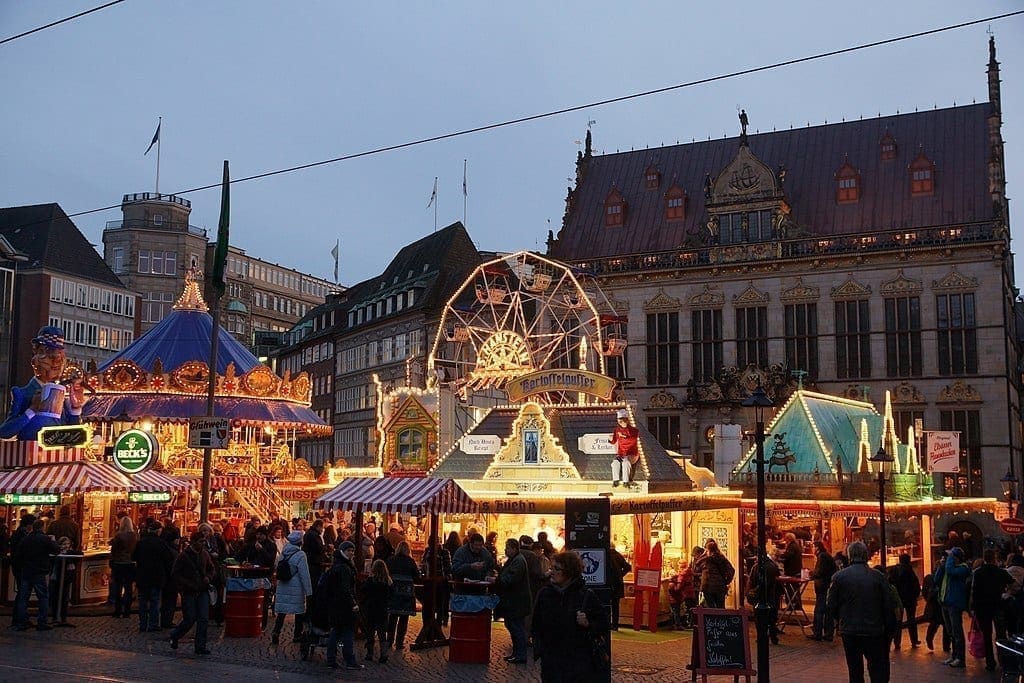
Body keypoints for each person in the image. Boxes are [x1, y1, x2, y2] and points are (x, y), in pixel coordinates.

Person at [532, 550, 610, 681]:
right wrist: (540, 650)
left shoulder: (585, 596)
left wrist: (588, 623)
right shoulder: (545, 594)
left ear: (569, 572)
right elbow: (536, 624)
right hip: (551, 662)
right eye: (552, 567)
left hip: (578, 662)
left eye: (557, 568)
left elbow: (604, 624)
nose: (552, 572)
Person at [0, 326, 87, 441]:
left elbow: (74, 436)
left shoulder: (63, 398)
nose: (55, 361)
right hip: (29, 455)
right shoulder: (23, 393)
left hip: (56, 456)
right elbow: (5, 432)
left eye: (59, 355)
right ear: (34, 358)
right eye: (47, 353)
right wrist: (32, 410)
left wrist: (75, 409)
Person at [826, 541, 896, 683]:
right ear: (866, 556)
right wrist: (888, 628)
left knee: (855, 670)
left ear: (850, 556)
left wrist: (840, 619)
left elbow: (831, 605)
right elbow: (888, 605)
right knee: (877, 668)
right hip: (874, 630)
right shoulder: (878, 577)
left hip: (850, 630)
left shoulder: (839, 577)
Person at [168, 532, 215, 655]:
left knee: (203, 618)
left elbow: (211, 568)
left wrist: (208, 578)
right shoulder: (183, 556)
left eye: (204, 541)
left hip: (202, 590)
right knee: (190, 618)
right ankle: (175, 635)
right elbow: (175, 573)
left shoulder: (204, 554)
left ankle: (200, 646)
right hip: (189, 591)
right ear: (193, 542)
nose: (203, 544)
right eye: (200, 541)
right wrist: (186, 584)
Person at [970, 548, 1013, 672]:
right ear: (994, 558)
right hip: (997, 605)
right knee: (1001, 635)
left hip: (982, 607)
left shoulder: (978, 573)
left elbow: (974, 591)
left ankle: (990, 662)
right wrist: (1007, 592)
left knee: (987, 635)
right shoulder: (1000, 572)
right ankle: (1003, 660)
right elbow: (1014, 583)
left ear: (984, 558)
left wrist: (973, 607)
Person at [12, 518, 59, 631]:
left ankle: (21, 622)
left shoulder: (26, 539)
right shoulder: (45, 539)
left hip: (27, 572)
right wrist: (53, 541)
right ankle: (42, 622)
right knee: (43, 597)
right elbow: (56, 550)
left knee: (23, 598)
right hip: (39, 572)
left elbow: (18, 554)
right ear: (42, 527)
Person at [322, 541, 363, 670]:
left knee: (336, 632)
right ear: (342, 551)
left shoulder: (338, 565)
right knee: (347, 632)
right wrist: (353, 603)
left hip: (336, 604)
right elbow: (345, 589)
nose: (351, 553)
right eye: (348, 550)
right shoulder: (344, 567)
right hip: (343, 605)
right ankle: (349, 660)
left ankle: (331, 660)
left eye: (352, 550)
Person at [271, 530, 312, 645]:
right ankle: (297, 634)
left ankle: (276, 631)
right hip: (296, 587)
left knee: (282, 612)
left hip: (283, 585)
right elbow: (305, 574)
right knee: (299, 611)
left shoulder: (284, 552)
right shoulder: (301, 555)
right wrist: (309, 591)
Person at [133, 521, 173, 633]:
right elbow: (168, 557)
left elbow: (134, 556)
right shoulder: (160, 543)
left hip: (142, 576)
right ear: (158, 531)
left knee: (142, 602)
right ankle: (153, 624)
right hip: (156, 576)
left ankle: (143, 624)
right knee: (155, 601)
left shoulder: (141, 543)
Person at [496, 538, 532, 664]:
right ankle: (517, 653)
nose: (506, 550)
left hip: (517, 601)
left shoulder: (518, 561)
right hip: (514, 601)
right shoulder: (514, 560)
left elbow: (511, 579)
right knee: (512, 626)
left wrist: (497, 580)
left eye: (508, 548)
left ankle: (520, 654)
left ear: (514, 548)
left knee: (517, 627)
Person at [934, 546, 970, 668]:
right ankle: (954, 656)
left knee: (957, 632)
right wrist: (941, 566)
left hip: (955, 604)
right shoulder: (948, 567)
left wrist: (948, 560)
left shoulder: (963, 569)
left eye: (951, 556)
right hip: (945, 602)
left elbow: (951, 572)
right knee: (951, 632)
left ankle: (960, 658)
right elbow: (936, 579)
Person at [47, 505, 81, 626]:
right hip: (68, 562)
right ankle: (63, 615)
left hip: (55, 560)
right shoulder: (75, 525)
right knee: (66, 589)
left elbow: (48, 540)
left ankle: (54, 613)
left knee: (54, 588)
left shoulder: (54, 525)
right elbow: (78, 542)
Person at [385, 541, 420, 651]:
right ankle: (399, 642)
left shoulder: (391, 560)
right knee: (404, 618)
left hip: (393, 591)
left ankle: (389, 640)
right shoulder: (410, 561)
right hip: (406, 592)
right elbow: (416, 575)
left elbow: (386, 573)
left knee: (393, 616)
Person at [360, 558, 393, 664]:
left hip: (371, 609)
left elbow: (363, 590)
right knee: (382, 633)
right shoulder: (388, 582)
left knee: (370, 632)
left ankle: (369, 654)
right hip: (382, 610)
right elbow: (391, 595)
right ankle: (384, 654)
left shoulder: (371, 580)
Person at [746, 551, 781, 645]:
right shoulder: (772, 566)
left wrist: (749, 593)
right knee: (771, 618)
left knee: (759, 618)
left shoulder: (757, 567)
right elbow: (777, 577)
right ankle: (773, 636)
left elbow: (751, 581)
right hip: (771, 595)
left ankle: (761, 636)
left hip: (759, 596)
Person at [420, 536, 453, 627]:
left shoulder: (444, 552)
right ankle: (427, 624)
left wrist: (444, 577)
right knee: (428, 605)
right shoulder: (428, 551)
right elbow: (424, 564)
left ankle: (438, 624)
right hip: (429, 581)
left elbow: (448, 568)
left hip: (440, 582)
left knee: (440, 604)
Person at [890, 553, 921, 649]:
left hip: (898, 597)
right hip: (910, 598)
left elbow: (890, 582)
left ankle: (897, 641)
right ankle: (914, 640)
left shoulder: (894, 570)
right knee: (911, 619)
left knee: (898, 620)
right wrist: (915, 595)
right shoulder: (910, 571)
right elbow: (916, 585)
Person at [110, 516, 139, 618]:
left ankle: (118, 610)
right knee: (128, 588)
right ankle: (127, 610)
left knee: (118, 587)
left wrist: (113, 560)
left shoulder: (118, 536)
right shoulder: (134, 536)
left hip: (119, 563)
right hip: (130, 563)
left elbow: (113, 550)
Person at [809, 541, 837, 641]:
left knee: (819, 610)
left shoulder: (822, 557)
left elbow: (820, 572)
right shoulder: (825, 556)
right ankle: (827, 633)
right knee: (827, 610)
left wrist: (811, 574)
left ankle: (818, 633)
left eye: (813, 547)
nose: (812, 549)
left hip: (823, 587)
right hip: (827, 586)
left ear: (817, 548)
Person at [698, 539, 735, 609]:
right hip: (720, 586)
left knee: (710, 608)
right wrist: (726, 581)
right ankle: (721, 620)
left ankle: (713, 620)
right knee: (720, 608)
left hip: (708, 587)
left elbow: (697, 564)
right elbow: (731, 570)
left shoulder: (706, 559)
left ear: (707, 549)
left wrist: (704, 554)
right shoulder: (722, 558)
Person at [609, 408, 639, 486]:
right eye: (619, 419)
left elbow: (633, 440)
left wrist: (624, 436)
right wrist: (610, 440)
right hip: (621, 453)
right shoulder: (617, 430)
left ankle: (626, 481)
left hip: (632, 454)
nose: (620, 421)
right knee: (615, 463)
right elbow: (614, 441)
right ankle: (616, 480)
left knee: (626, 462)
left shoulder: (634, 430)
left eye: (621, 419)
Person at [607, 542, 631, 630]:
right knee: (615, 605)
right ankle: (615, 625)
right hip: (618, 583)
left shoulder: (606, 555)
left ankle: (608, 623)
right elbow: (628, 567)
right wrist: (620, 575)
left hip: (609, 583)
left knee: (607, 604)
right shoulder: (618, 555)